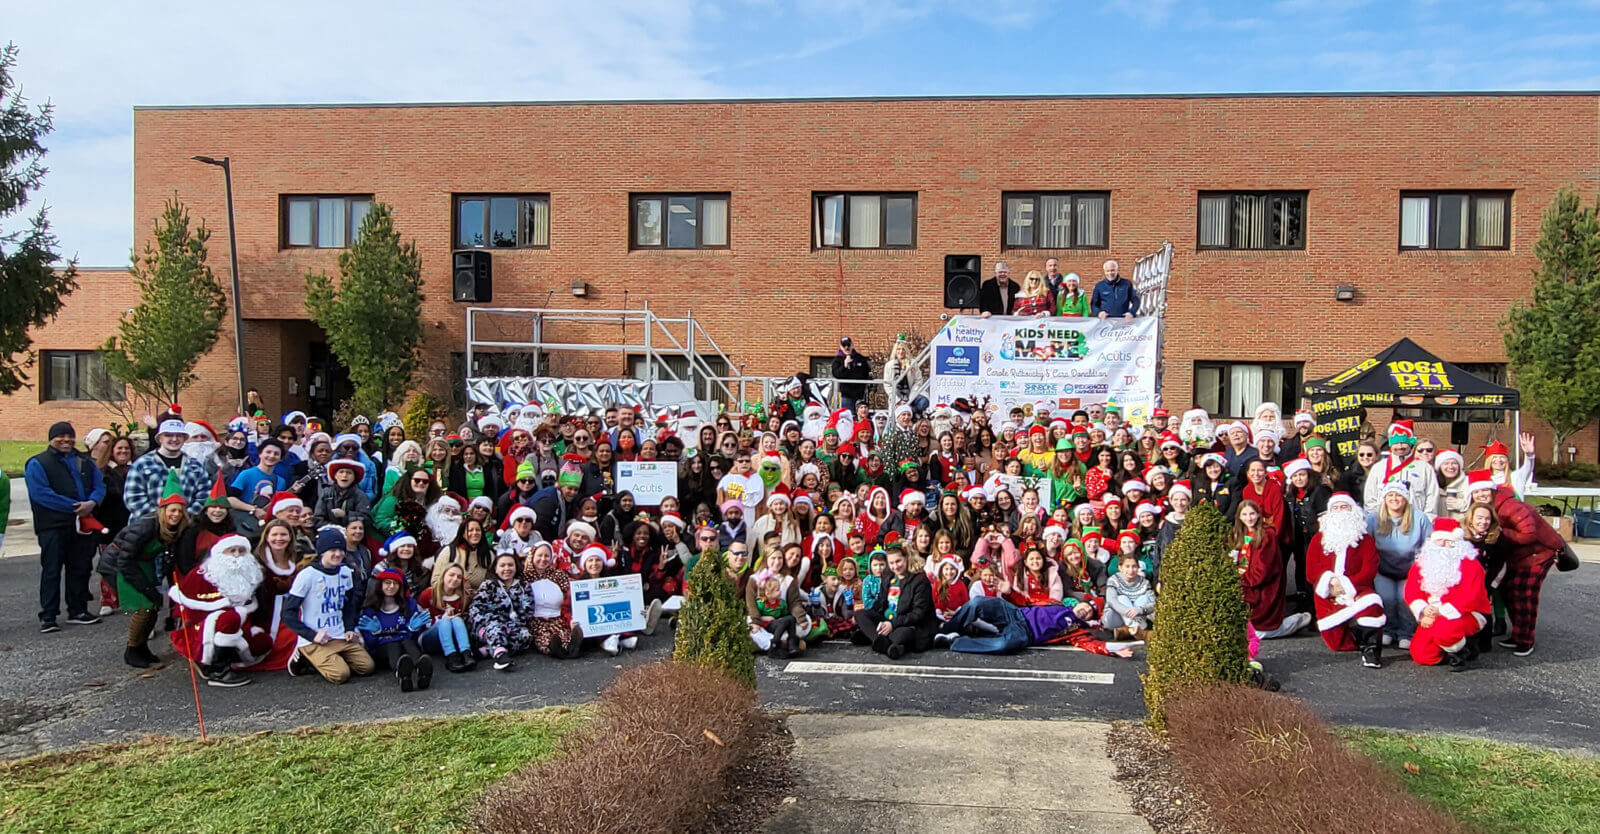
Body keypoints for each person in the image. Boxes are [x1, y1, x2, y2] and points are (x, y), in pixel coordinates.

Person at [100, 471, 191, 667]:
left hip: (144, 563)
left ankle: (142, 648)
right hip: (122, 564)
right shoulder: (144, 526)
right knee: (144, 607)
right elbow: (125, 559)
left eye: (179, 511)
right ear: (163, 509)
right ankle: (131, 649)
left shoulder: (177, 527)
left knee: (154, 606)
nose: (175, 515)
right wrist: (147, 588)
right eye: (171, 510)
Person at [24, 422, 106, 633]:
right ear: (51, 438)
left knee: (80, 567)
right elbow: (40, 494)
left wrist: (92, 503)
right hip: (52, 526)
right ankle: (48, 616)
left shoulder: (85, 461)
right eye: (60, 436)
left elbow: (99, 486)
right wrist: (74, 507)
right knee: (52, 569)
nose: (66, 440)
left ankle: (78, 610)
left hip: (82, 525)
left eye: (69, 436)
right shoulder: (37, 463)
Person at [168, 533, 271, 687]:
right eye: (232, 550)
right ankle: (218, 670)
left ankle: (232, 658)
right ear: (220, 553)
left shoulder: (250, 572)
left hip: (240, 624)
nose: (237, 555)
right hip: (202, 628)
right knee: (230, 619)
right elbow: (185, 608)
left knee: (263, 642)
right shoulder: (200, 575)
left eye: (241, 550)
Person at [1305, 492, 1386, 668]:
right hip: (1327, 593)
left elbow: (1369, 570)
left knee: (1372, 605)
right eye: (1336, 508)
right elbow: (1311, 571)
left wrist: (1347, 585)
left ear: (1353, 511)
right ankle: (1357, 634)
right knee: (1337, 644)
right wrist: (1331, 583)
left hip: (1358, 589)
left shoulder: (1365, 540)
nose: (1340, 511)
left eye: (1345, 507)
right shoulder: (1318, 540)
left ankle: (1370, 649)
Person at [283, 527, 374, 684]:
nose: (338, 554)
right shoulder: (307, 575)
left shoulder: (346, 572)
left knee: (367, 667)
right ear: (322, 552)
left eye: (341, 550)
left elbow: (349, 606)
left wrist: (350, 628)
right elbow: (287, 613)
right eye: (332, 550)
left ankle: (331, 659)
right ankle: (303, 656)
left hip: (339, 635)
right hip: (316, 639)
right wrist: (311, 635)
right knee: (340, 675)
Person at [1403, 517, 1491, 670]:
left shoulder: (1470, 564)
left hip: (1467, 612)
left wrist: (1440, 611)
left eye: (1449, 542)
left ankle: (1461, 651)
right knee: (1422, 654)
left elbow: (1471, 596)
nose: (1443, 545)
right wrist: (1424, 611)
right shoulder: (1422, 563)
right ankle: (1452, 646)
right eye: (1439, 541)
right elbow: (1412, 590)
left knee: (1445, 631)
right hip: (1434, 615)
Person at [1369, 482, 1432, 650]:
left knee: (1405, 600)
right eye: (1390, 495)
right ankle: (1388, 630)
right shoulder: (1374, 519)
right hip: (1383, 569)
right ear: (1385, 499)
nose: (1395, 499)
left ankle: (1406, 632)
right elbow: (1367, 545)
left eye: (1399, 495)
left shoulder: (1419, 518)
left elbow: (1429, 544)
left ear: (1406, 499)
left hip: (1410, 571)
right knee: (1387, 598)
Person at [357, 568, 435, 692]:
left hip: (405, 643)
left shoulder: (409, 604)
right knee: (393, 644)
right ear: (380, 585)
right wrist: (375, 633)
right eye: (387, 583)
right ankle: (403, 674)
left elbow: (415, 638)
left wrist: (413, 629)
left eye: (395, 583)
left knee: (407, 642)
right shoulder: (370, 608)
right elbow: (370, 644)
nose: (391, 586)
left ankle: (422, 670)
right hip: (383, 650)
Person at [851, 547, 936, 659]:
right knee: (860, 614)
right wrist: (869, 614)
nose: (895, 566)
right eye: (891, 563)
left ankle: (875, 638)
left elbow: (918, 614)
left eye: (898, 561)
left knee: (902, 634)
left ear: (906, 558)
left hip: (909, 624)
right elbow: (880, 603)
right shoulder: (888, 576)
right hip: (887, 619)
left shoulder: (920, 580)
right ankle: (887, 645)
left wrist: (893, 624)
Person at [123, 418, 210, 519]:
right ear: (160, 438)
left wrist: (183, 517)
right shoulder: (142, 464)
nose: (174, 439)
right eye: (168, 435)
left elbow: (205, 496)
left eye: (179, 435)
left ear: (184, 439)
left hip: (186, 527)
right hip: (147, 528)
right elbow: (133, 499)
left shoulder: (195, 466)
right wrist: (162, 519)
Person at [1362, 420, 1437, 516]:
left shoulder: (1425, 468)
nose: (1400, 446)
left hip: (1415, 523)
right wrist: (1376, 521)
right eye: (1396, 443)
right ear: (1390, 444)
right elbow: (1370, 499)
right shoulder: (1378, 468)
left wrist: (1427, 521)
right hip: (1385, 524)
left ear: (1410, 443)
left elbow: (1432, 498)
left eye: (1403, 443)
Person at [418, 563, 478, 672]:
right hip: (429, 637)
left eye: (459, 577)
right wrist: (442, 618)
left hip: (452, 637)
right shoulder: (429, 594)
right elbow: (421, 622)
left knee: (456, 620)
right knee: (446, 620)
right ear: (443, 575)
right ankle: (451, 656)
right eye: (451, 575)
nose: (455, 579)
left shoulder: (462, 597)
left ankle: (466, 654)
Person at [1104, 552, 1156, 641]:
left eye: (1134, 566)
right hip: (1116, 616)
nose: (1131, 570)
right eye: (1127, 566)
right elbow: (1112, 601)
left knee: (1144, 598)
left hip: (1137, 615)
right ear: (1120, 568)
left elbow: (1153, 603)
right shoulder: (1113, 580)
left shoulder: (1144, 582)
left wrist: (1139, 610)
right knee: (1121, 598)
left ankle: (1128, 631)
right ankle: (1137, 630)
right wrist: (1128, 611)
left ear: (1138, 568)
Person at [831, 336, 872, 412]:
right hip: (846, 395)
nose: (847, 348)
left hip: (860, 395)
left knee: (860, 417)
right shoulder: (838, 360)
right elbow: (836, 374)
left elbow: (867, 373)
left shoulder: (860, 358)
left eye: (848, 345)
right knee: (848, 416)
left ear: (852, 345)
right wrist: (845, 365)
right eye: (844, 345)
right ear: (841, 347)